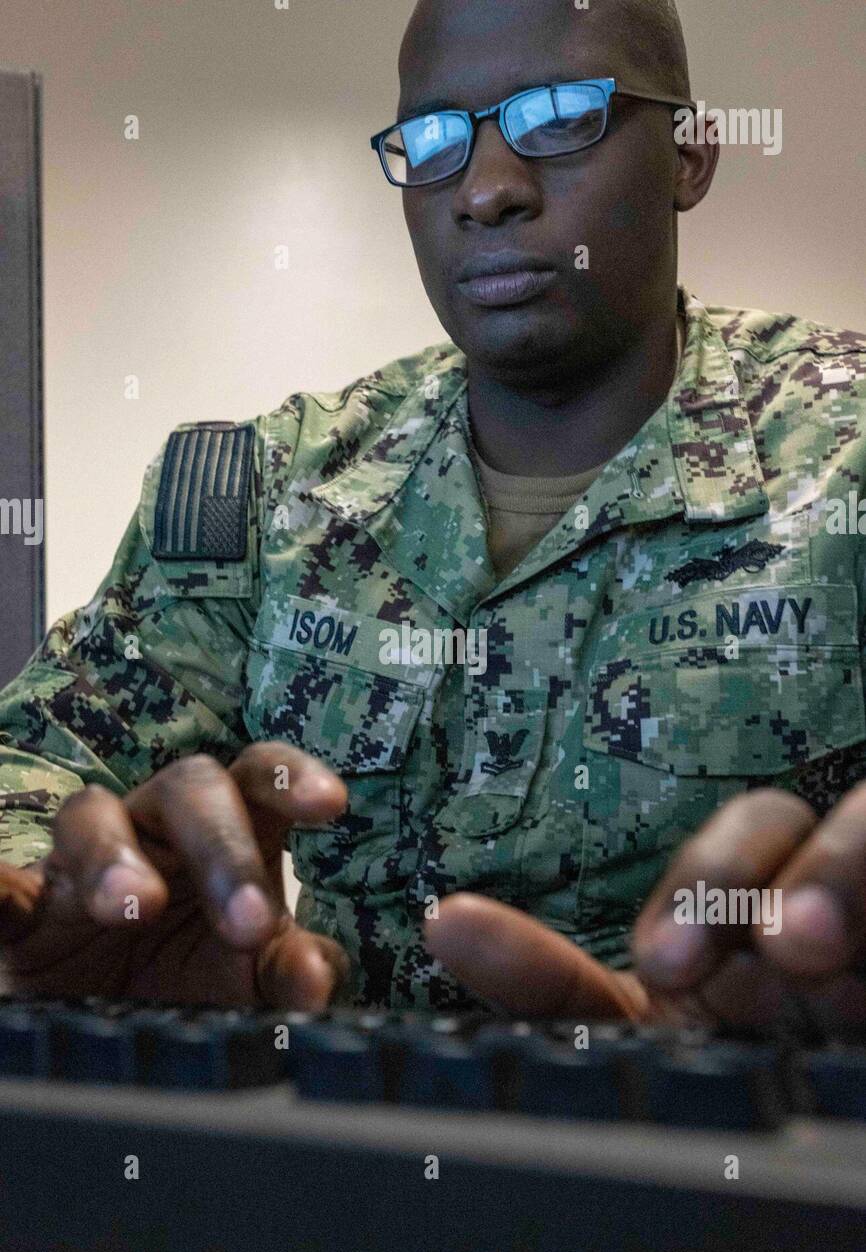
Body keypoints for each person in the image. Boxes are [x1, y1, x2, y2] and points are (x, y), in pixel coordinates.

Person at [1, 0, 865, 1035]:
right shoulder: (267, 484)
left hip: (736, 1160)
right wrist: (65, 907)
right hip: (331, 1164)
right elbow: (42, 759)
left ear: (687, 154)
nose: (487, 189)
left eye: (559, 118)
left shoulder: (840, 453)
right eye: (433, 140)